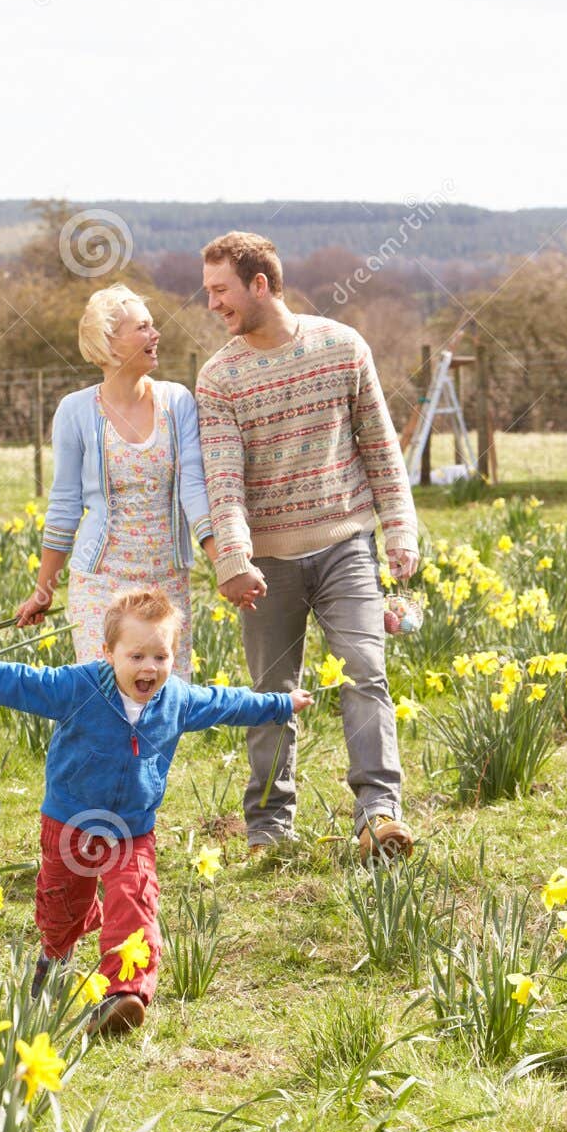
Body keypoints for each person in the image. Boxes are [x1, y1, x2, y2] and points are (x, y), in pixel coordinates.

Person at [0, 587, 313, 1037]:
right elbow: (19, 681)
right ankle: (54, 959)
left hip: (131, 830)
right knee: (62, 907)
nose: (149, 668)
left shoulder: (177, 700)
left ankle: (124, 994)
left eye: (160, 656)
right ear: (109, 653)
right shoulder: (77, 687)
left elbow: (227, 703)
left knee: (136, 902)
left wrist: (279, 704)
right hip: (69, 822)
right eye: (136, 656)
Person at [195, 231, 420, 861]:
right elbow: (223, 478)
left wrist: (399, 528)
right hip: (265, 561)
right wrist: (233, 559)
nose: (212, 304)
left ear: (260, 284)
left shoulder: (342, 347)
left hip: (346, 542)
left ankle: (379, 814)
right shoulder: (220, 378)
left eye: (221, 290)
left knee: (366, 673)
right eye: (208, 291)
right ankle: (268, 825)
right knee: (272, 692)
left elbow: (379, 445)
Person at [16, 285, 215, 676]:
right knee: (105, 696)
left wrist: (224, 562)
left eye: (153, 326)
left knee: (163, 700)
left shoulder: (178, 402)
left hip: (166, 582)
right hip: (100, 581)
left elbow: (194, 489)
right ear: (109, 341)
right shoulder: (74, 411)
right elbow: (65, 505)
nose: (155, 335)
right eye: (143, 327)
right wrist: (44, 589)